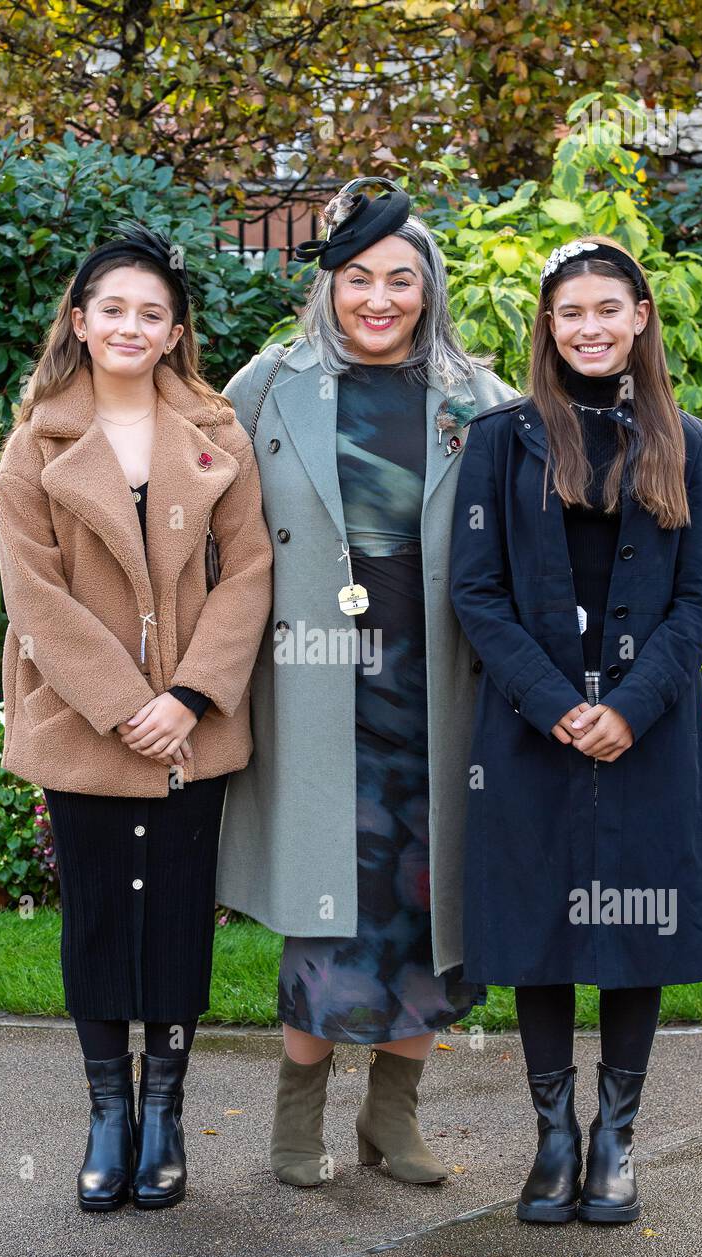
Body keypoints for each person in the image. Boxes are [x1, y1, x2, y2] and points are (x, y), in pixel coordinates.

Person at [216, 177, 517, 1187]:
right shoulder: (267, 385)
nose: (378, 299)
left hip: (438, 699)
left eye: (400, 279)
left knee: (434, 918)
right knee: (328, 911)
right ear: (329, 286)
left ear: (428, 289)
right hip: (315, 694)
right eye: (358, 278)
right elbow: (211, 525)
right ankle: (294, 1120)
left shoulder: (479, 402)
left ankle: (391, 1121)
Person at [449, 234, 702, 1225]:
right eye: (568, 311)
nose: (586, 327)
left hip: (647, 733)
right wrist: (556, 704)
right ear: (547, 325)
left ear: (637, 319)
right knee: (538, 934)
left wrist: (627, 707)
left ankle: (614, 1140)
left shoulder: (684, 443)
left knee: (634, 931)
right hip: (530, 728)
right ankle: (549, 1140)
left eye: (604, 309)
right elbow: (475, 593)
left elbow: (699, 601)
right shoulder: (497, 441)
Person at [0, 222, 273, 1212]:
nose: (129, 324)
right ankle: (107, 1113)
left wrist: (189, 695)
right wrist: (125, 707)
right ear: (80, 320)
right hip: (85, 731)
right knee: (102, 918)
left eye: (150, 312)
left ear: (173, 332)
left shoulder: (216, 434)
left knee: (177, 926)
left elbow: (248, 571)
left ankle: (164, 1116)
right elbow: (36, 598)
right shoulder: (35, 445)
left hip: (192, 731)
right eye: (111, 307)